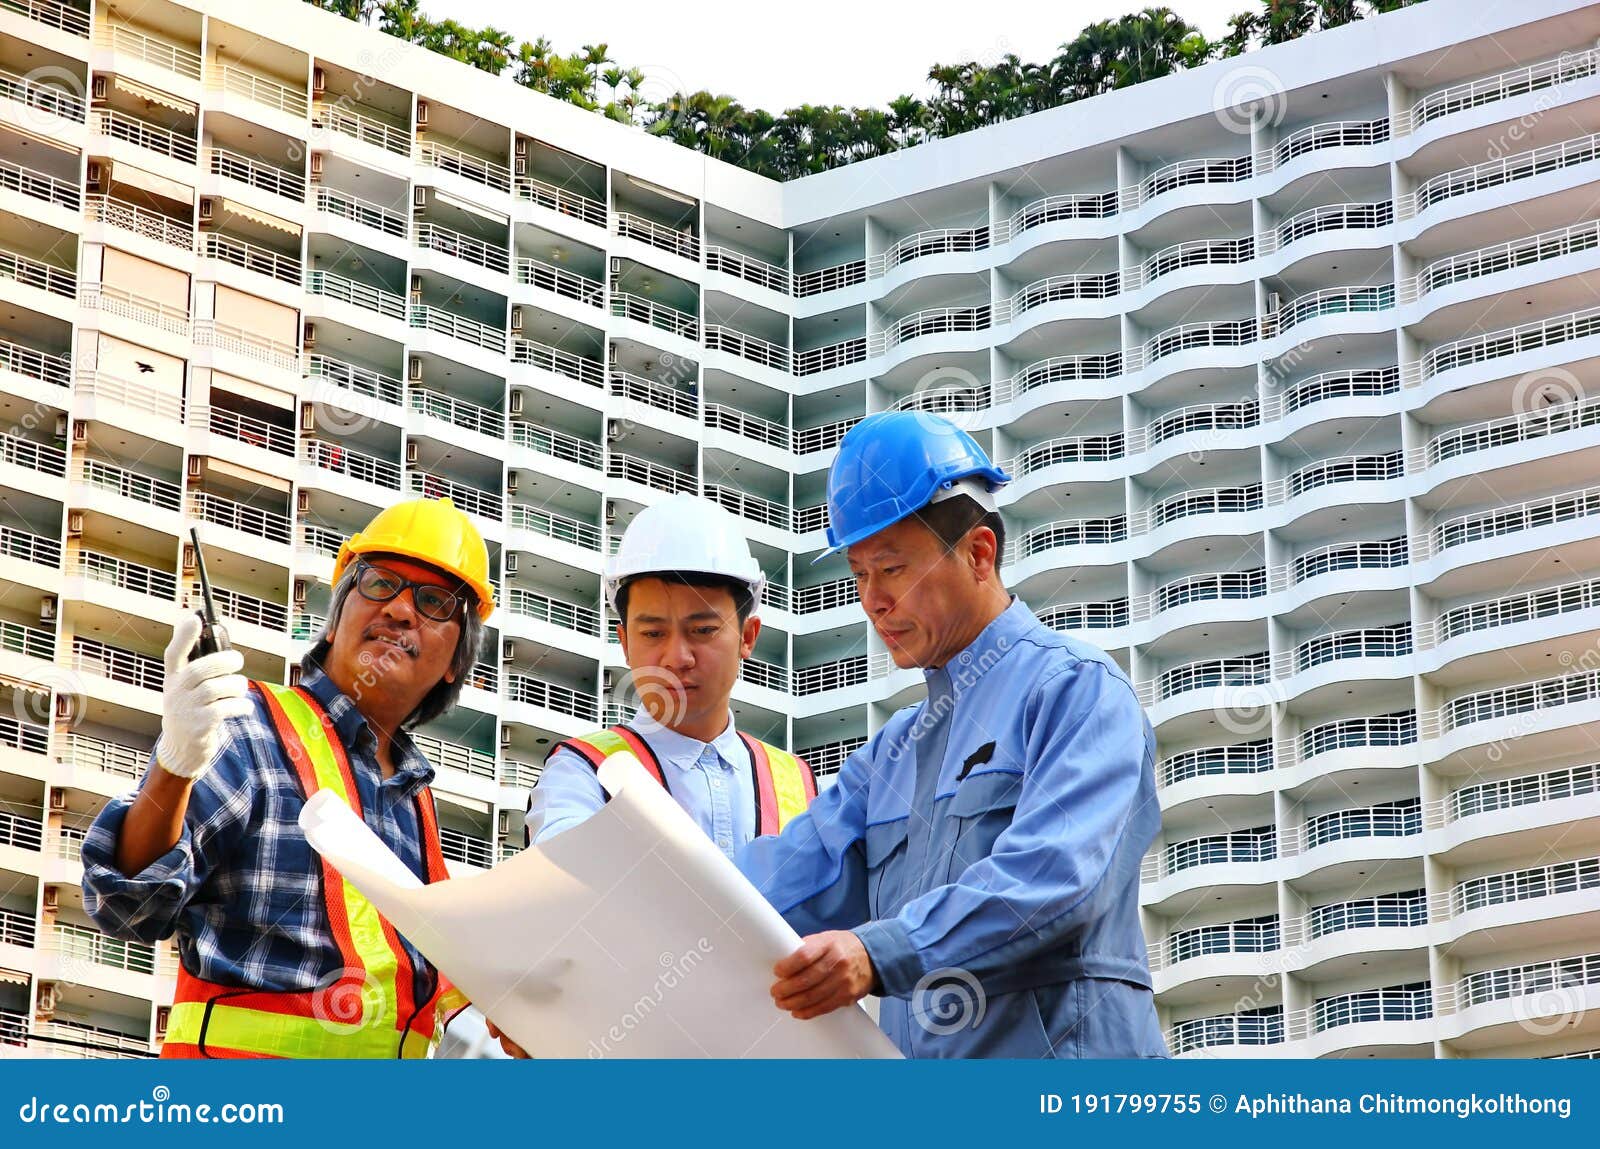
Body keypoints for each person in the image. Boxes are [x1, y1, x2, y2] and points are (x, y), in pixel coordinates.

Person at [735, 412, 1168, 1058]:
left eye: (892, 569)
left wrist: (879, 952)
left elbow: (1052, 876)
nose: (873, 600)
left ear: (979, 553)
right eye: (859, 574)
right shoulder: (891, 755)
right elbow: (760, 890)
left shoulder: (1076, 692)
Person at [81, 497, 494, 1058]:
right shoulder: (247, 726)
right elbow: (124, 904)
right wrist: (174, 769)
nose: (399, 610)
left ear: (454, 664)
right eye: (378, 584)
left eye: (433, 602)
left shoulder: (416, 804)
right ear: (335, 621)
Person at [490, 493, 816, 1058]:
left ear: (748, 636)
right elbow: (569, 892)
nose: (676, 656)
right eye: (652, 632)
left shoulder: (800, 784)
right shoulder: (584, 771)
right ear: (623, 639)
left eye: (702, 629)